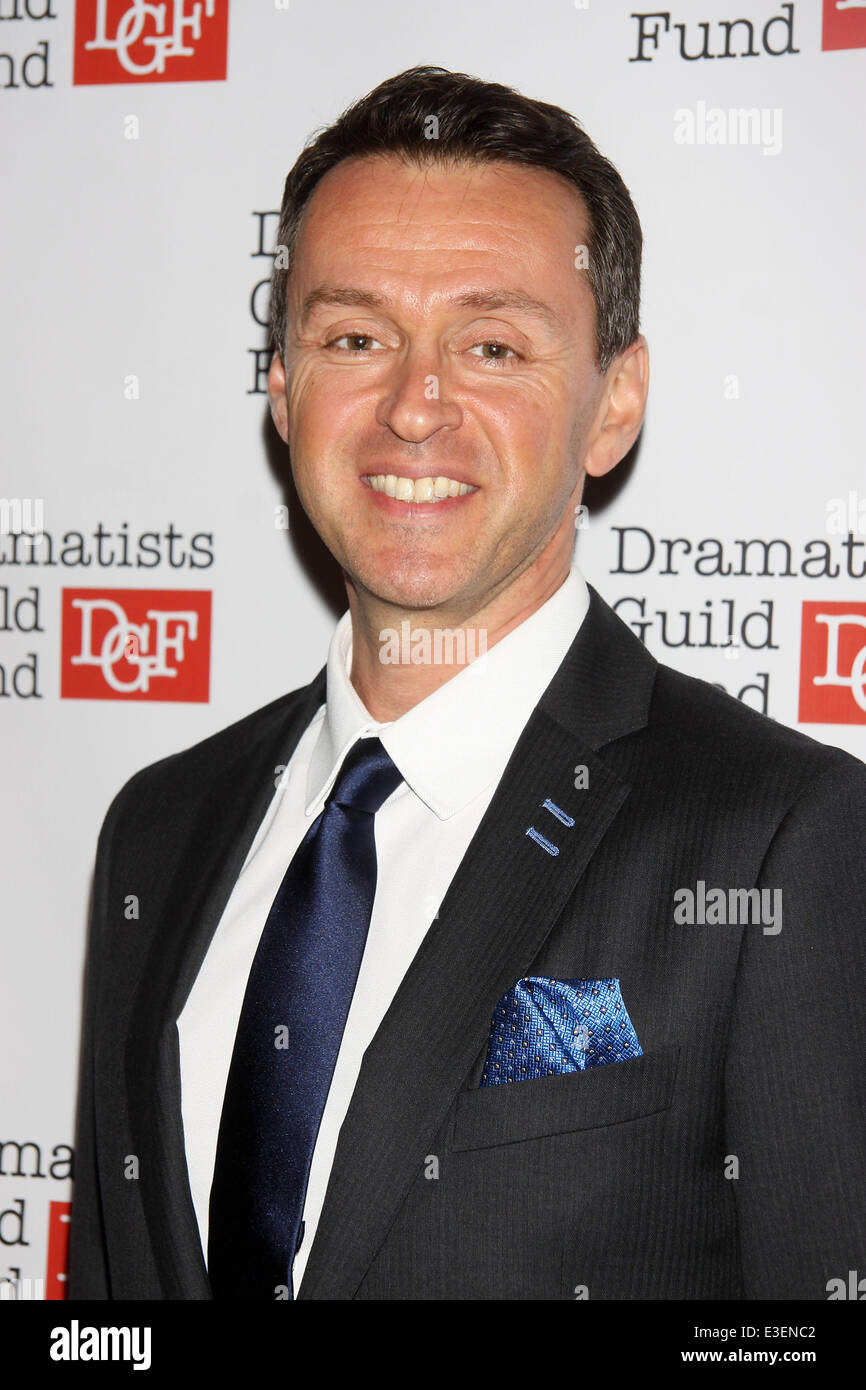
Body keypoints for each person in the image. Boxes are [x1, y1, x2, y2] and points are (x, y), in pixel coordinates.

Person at [68, 65, 866, 1301]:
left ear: (614, 406)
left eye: (490, 344)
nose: (413, 407)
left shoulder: (774, 839)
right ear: (282, 389)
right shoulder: (160, 830)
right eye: (354, 337)